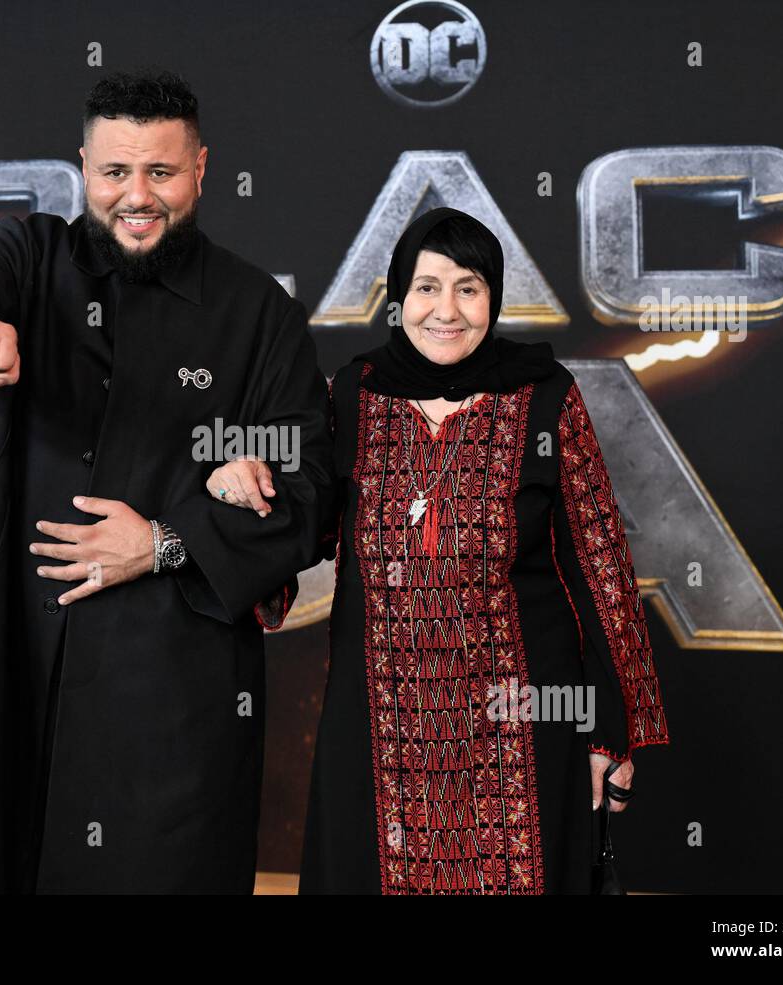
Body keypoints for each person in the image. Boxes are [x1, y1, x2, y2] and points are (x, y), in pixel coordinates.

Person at [0, 69, 333, 893]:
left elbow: (308, 489)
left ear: (202, 171)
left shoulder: (259, 314)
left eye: (161, 173)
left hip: (174, 705)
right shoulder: (28, 258)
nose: (136, 196)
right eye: (114, 173)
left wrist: (166, 542)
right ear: (83, 170)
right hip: (12, 673)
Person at [206, 208, 671, 893]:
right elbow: (305, 522)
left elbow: (601, 570)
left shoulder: (546, 397)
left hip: (520, 727)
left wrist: (609, 730)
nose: (444, 310)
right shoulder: (353, 396)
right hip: (379, 727)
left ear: (495, 297)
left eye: (468, 287)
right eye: (426, 288)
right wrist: (239, 479)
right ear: (399, 298)